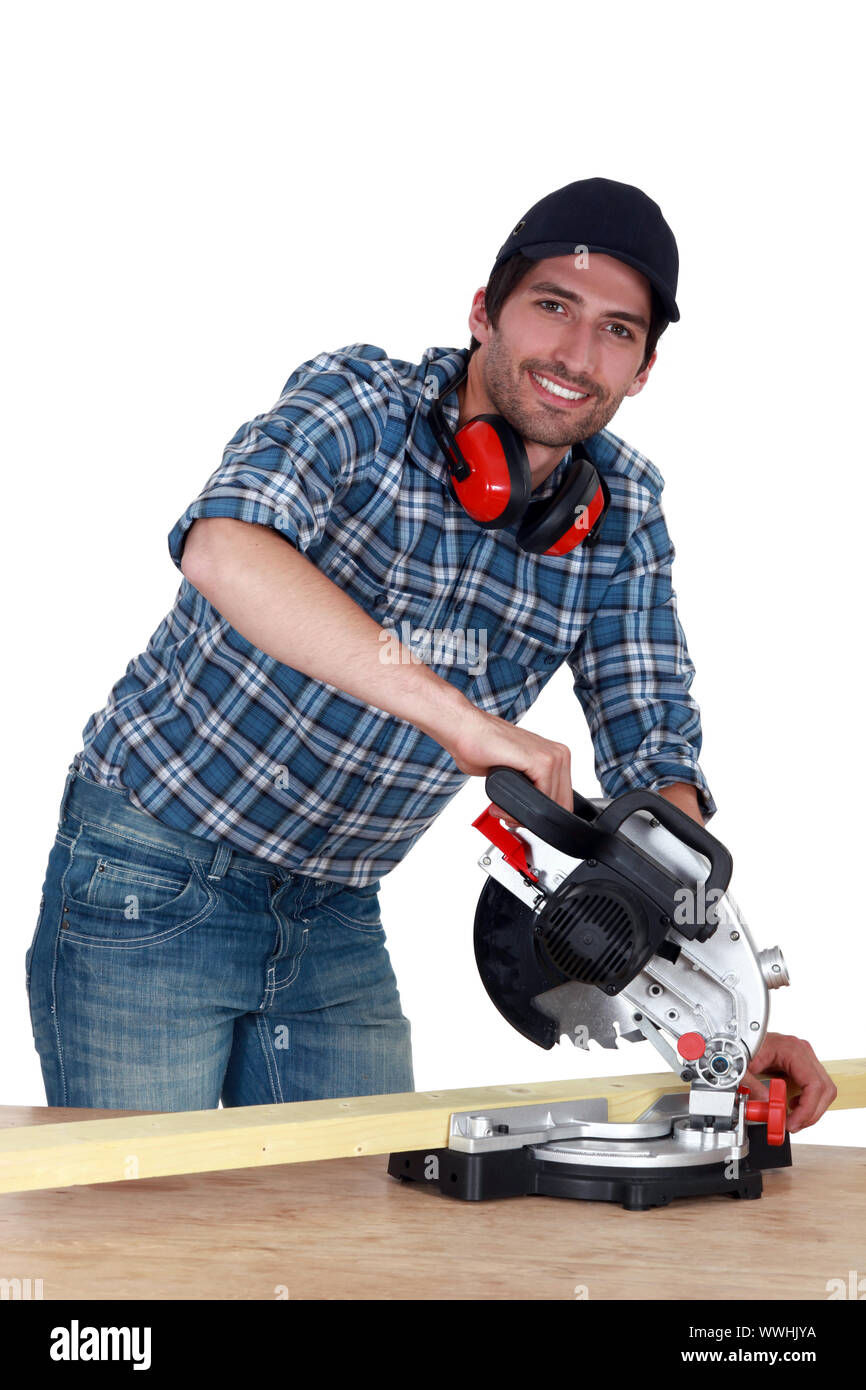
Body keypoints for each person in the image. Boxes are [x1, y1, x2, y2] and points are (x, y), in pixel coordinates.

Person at [25, 178, 836, 1131]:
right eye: (553, 307)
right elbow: (224, 547)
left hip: (335, 914)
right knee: (141, 1244)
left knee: (347, 1249)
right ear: (483, 310)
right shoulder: (359, 404)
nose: (577, 354)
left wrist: (721, 1014)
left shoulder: (625, 516)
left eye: (617, 330)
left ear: (644, 369)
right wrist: (463, 721)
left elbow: (658, 758)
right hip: (151, 874)